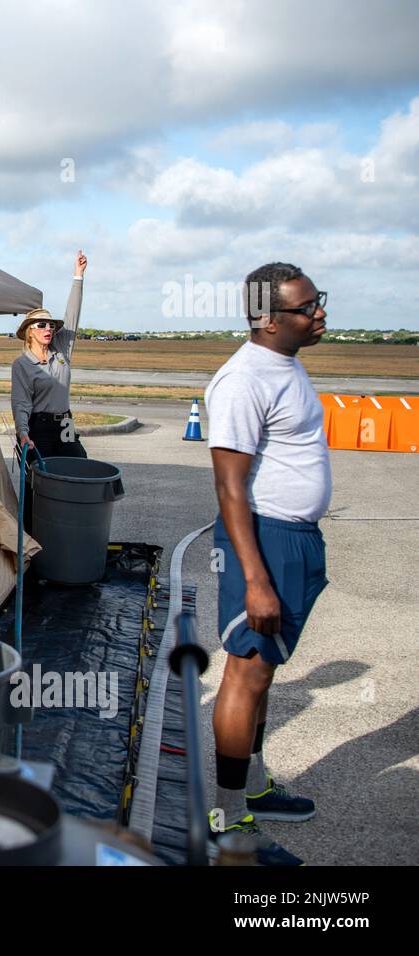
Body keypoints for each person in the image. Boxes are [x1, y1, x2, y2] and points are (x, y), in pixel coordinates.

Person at [205, 262, 329, 866]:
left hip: (294, 539)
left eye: (317, 301)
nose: (319, 313)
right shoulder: (243, 379)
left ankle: (254, 786)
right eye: (307, 307)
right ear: (268, 318)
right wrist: (255, 578)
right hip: (265, 542)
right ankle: (229, 826)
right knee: (245, 672)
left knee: (267, 670)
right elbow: (229, 490)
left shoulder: (287, 364)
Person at [10, 250, 88, 531]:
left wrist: (78, 277)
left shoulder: (62, 350)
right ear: (29, 331)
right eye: (41, 325)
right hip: (38, 427)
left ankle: (69, 531)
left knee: (78, 468)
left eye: (51, 325)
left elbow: (73, 316)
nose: (48, 328)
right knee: (36, 484)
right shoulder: (22, 364)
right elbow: (20, 402)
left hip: (65, 422)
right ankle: (31, 543)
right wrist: (23, 434)